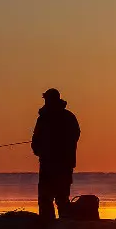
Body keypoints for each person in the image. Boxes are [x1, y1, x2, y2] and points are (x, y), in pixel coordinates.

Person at [31, 88, 81, 220]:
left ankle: (60, 227)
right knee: (51, 198)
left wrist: (46, 147)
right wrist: (39, 149)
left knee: (57, 198)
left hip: (59, 165)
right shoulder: (65, 117)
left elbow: (74, 136)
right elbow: (35, 141)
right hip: (54, 163)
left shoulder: (62, 118)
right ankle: (51, 225)